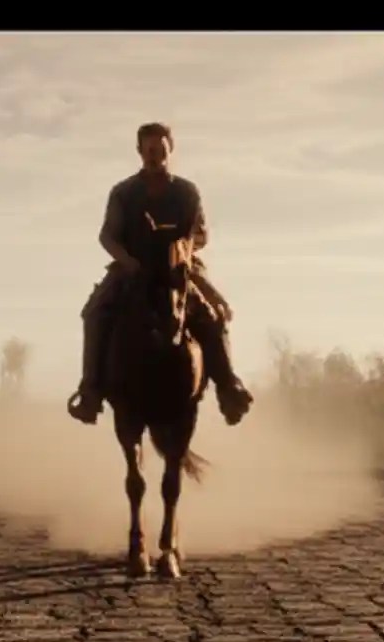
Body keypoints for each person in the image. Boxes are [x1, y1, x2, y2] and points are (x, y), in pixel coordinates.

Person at [66, 122, 254, 426]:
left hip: (178, 267)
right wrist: (128, 261)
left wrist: (181, 252)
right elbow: (107, 236)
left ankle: (229, 389)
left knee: (212, 314)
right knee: (95, 312)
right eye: (149, 150)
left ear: (170, 150)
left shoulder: (186, 192)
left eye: (160, 149)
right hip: (132, 269)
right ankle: (91, 392)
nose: (155, 155)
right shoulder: (124, 193)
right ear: (140, 151)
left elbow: (201, 235)